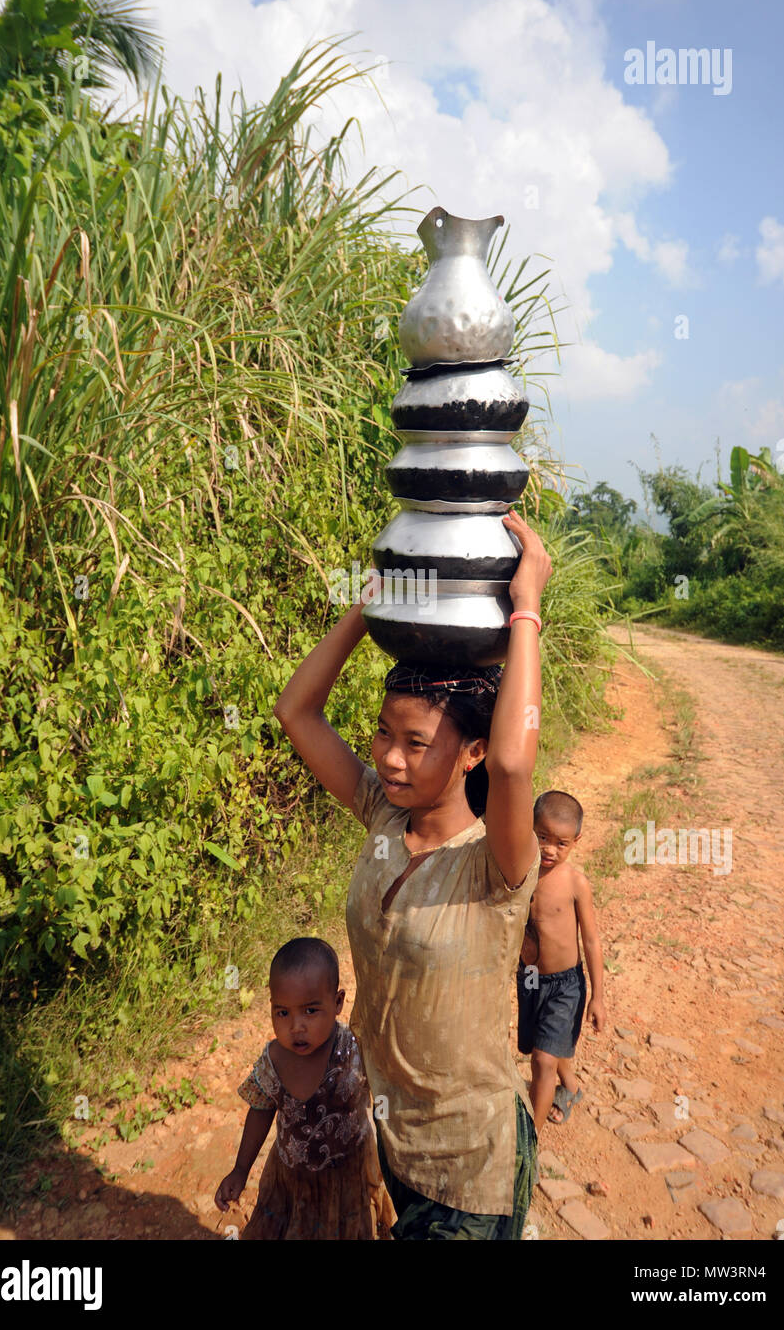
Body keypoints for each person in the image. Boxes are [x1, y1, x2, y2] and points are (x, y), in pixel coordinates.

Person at [273, 508, 552, 1240]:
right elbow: (295, 711)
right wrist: (367, 610)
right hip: (388, 1138)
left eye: (417, 743)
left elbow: (518, 759)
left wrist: (526, 608)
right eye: (383, 735)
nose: (391, 759)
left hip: (468, 1166)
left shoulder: (497, 862)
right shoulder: (382, 816)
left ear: (470, 754)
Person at [213, 936, 394, 1239]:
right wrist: (240, 1170)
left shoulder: (355, 1049)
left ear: (337, 1003)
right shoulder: (274, 1060)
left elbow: (387, 1097)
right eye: (282, 1012)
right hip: (292, 1185)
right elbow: (260, 1111)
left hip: (349, 1179)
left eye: (310, 1011)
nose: (295, 1026)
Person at [516, 790, 606, 1129]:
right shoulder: (519, 872)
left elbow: (592, 941)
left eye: (562, 843)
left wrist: (597, 996)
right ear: (530, 827)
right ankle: (570, 1085)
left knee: (542, 1060)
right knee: (542, 1045)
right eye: (542, 837)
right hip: (529, 979)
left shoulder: (575, 884)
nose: (550, 849)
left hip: (565, 984)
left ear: (577, 841)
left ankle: (532, 1141)